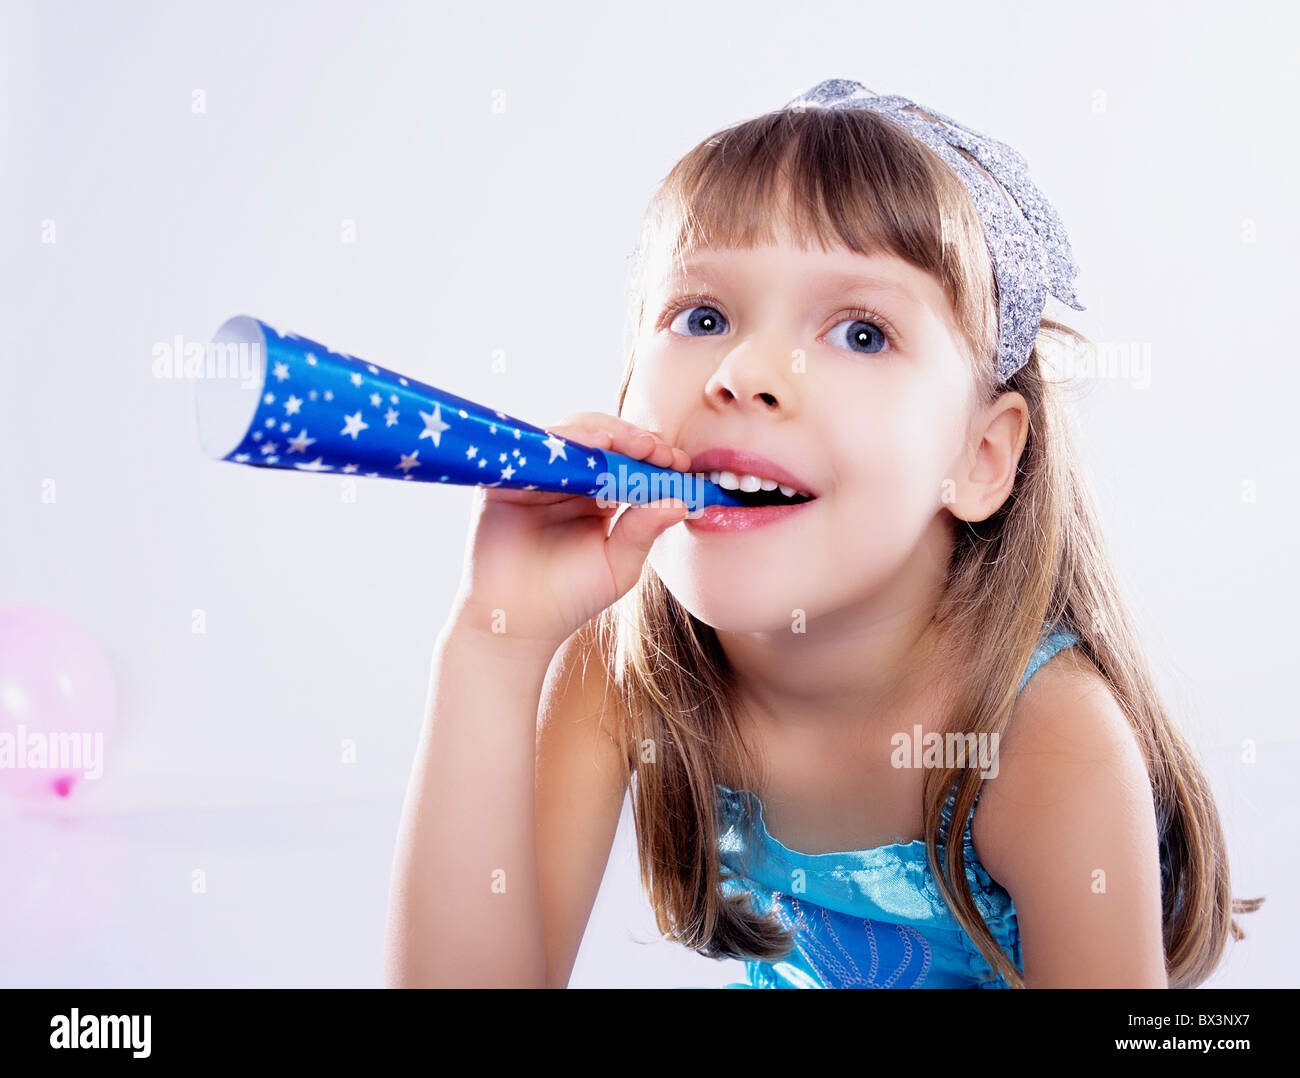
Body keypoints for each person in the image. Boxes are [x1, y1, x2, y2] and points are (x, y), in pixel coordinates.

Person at [385, 79, 1262, 989]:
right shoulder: (616, 674)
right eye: (703, 316)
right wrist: (495, 642)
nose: (745, 370)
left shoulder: (1048, 744)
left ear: (980, 457)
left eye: (861, 332)